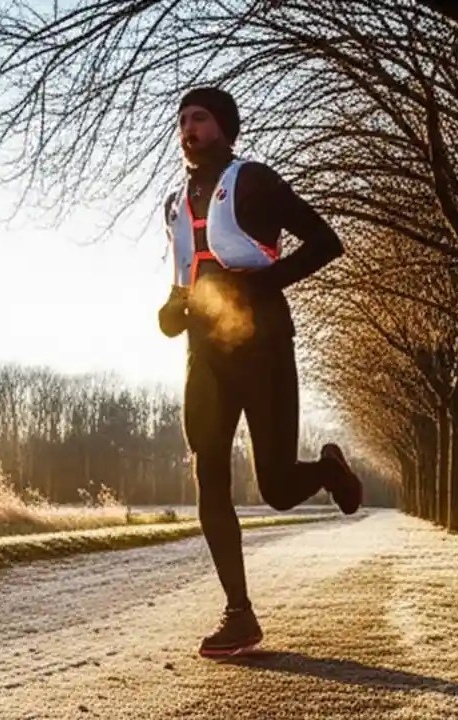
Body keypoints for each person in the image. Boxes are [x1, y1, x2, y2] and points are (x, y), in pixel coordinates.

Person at [158, 86, 363, 659]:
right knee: (210, 474)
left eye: (199, 118)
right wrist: (171, 310)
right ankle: (239, 613)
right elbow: (185, 273)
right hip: (205, 354)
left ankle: (326, 470)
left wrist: (263, 284)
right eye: (182, 120)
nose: (188, 128)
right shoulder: (174, 202)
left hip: (265, 345)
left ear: (224, 126)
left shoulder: (253, 181)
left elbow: (326, 242)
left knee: (273, 486)